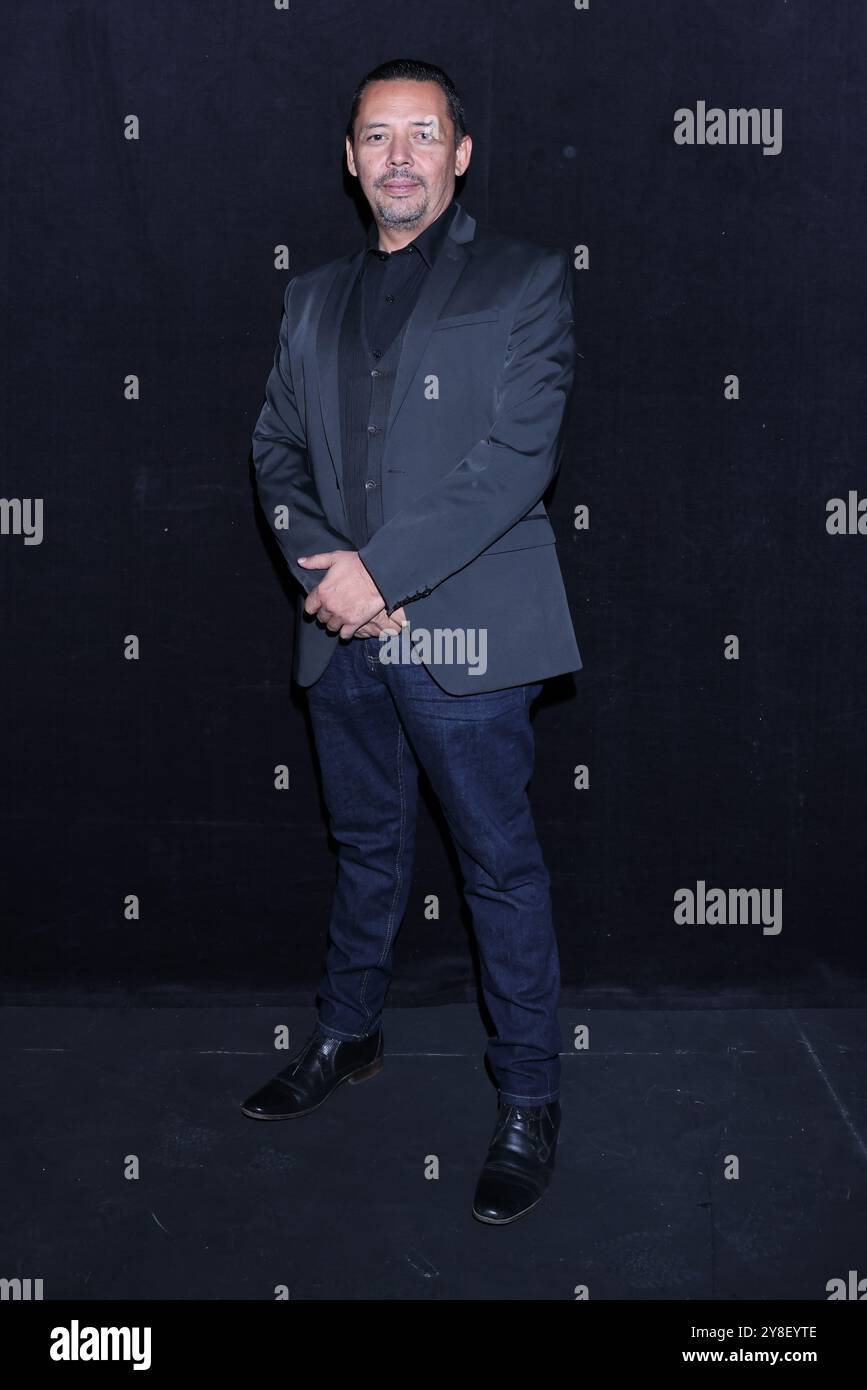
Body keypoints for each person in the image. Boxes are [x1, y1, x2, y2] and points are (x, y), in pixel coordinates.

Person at [242, 57, 583, 1225]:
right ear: (350, 160)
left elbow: (513, 463)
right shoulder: (309, 300)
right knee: (366, 848)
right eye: (377, 136)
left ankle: (531, 1096)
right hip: (343, 640)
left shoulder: (529, 282)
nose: (399, 155)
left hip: (471, 641)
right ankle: (349, 1034)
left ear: (460, 153)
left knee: (497, 867)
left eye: (421, 134)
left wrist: (380, 573)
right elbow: (275, 452)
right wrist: (332, 578)